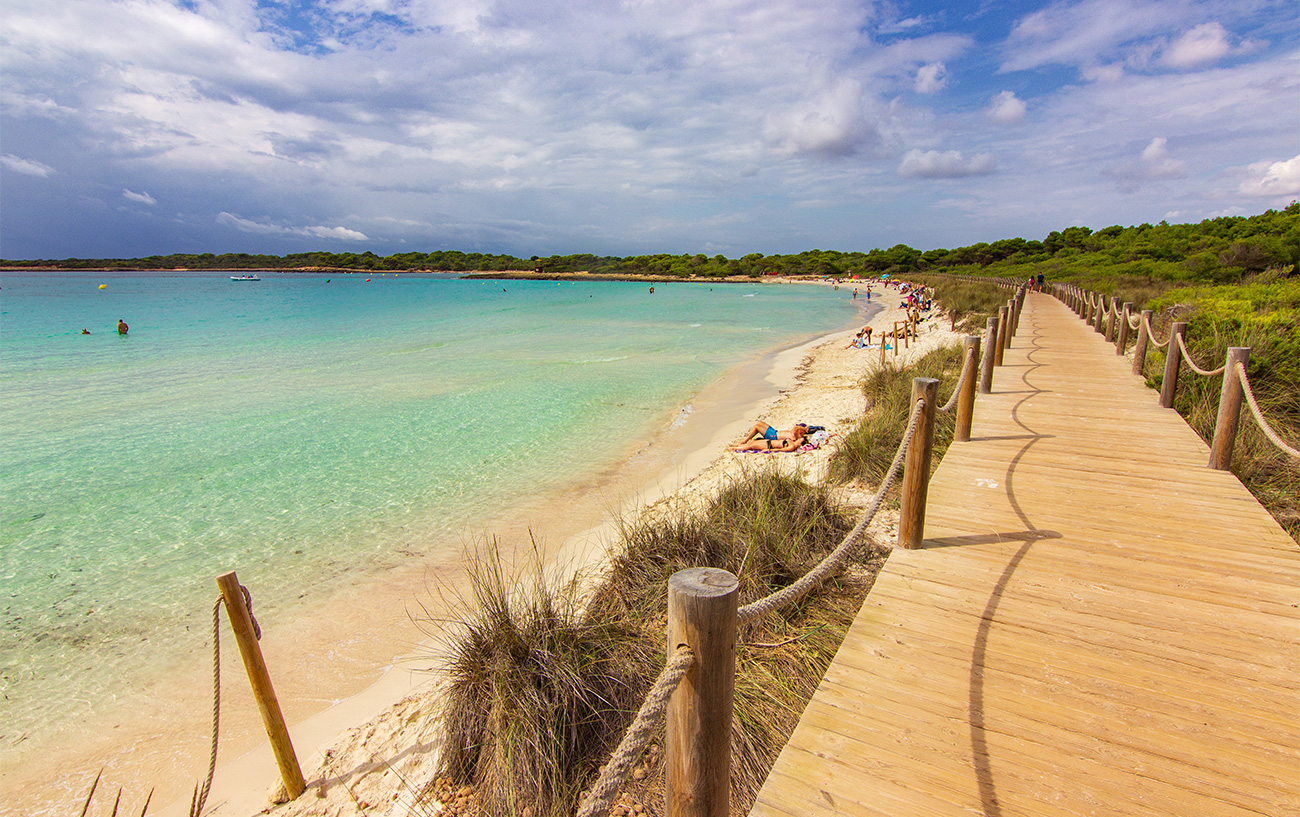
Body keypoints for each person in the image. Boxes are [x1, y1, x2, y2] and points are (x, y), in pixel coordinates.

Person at [735, 421, 808, 447]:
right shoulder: (796, 432)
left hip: (773, 436)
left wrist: (804, 429)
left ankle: (745, 440)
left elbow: (795, 428)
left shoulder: (796, 435)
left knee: (757, 427)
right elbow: (795, 426)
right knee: (759, 422)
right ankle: (747, 439)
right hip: (774, 431)